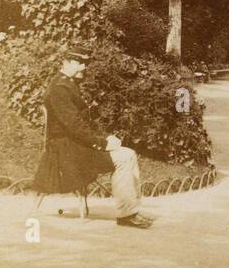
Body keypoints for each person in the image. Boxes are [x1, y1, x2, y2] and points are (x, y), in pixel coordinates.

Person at [31, 52, 153, 228]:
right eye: (79, 62)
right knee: (125, 157)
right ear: (65, 62)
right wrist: (102, 143)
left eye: (84, 63)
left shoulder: (67, 84)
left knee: (129, 153)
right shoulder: (59, 89)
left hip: (75, 144)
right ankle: (126, 214)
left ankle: (131, 210)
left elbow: (82, 123)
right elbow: (74, 126)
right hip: (66, 149)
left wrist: (105, 137)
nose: (83, 67)